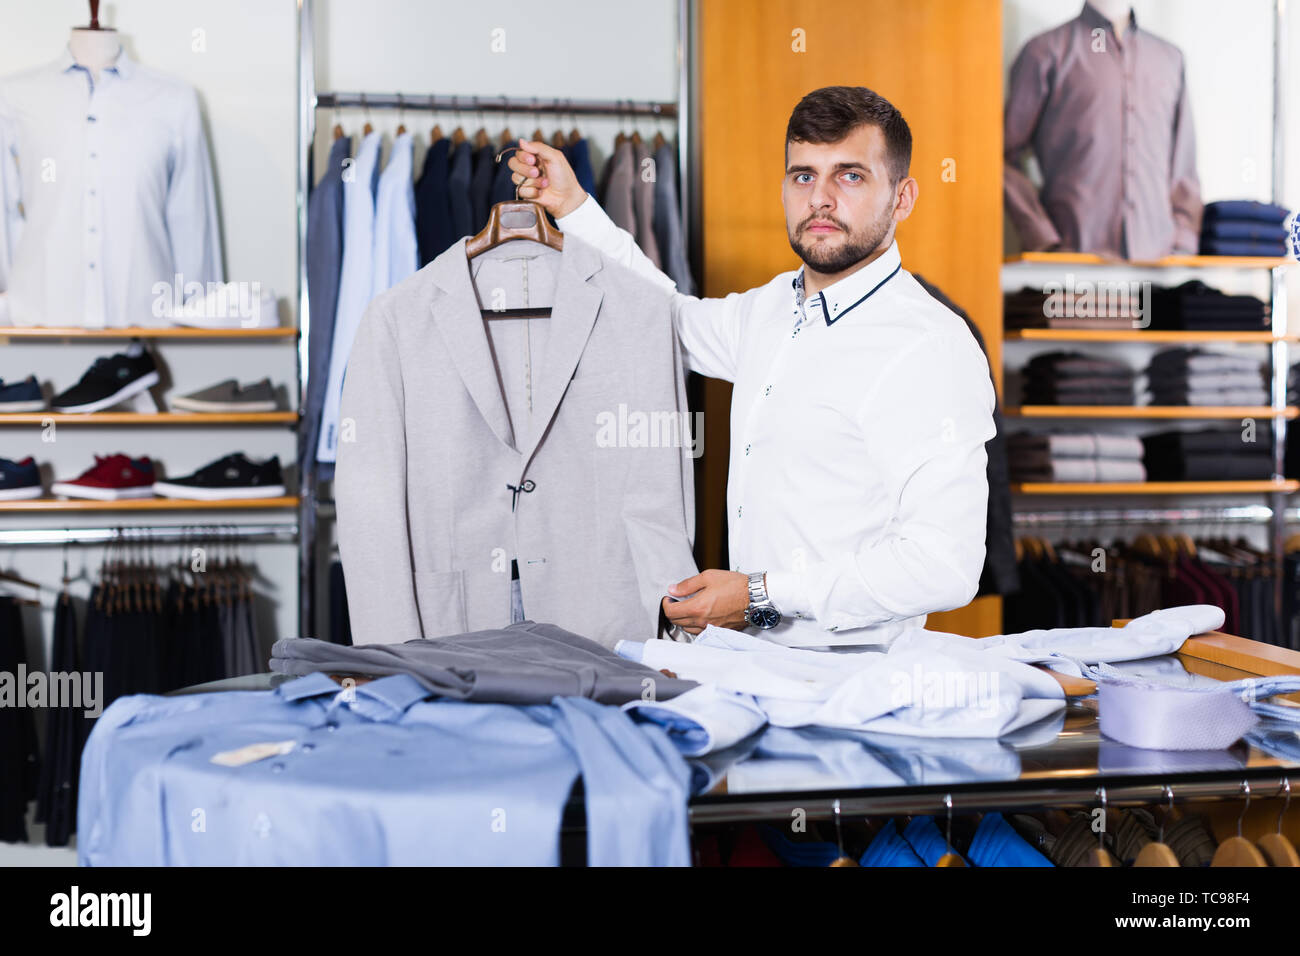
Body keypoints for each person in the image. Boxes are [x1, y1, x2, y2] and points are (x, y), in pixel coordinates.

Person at [508, 85, 995, 649]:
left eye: (851, 176)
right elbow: (663, 319)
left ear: (903, 197)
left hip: (855, 683)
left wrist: (761, 594)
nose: (821, 199)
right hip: (750, 664)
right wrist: (575, 209)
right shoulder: (769, 308)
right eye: (804, 176)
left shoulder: (930, 346)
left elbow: (944, 564)